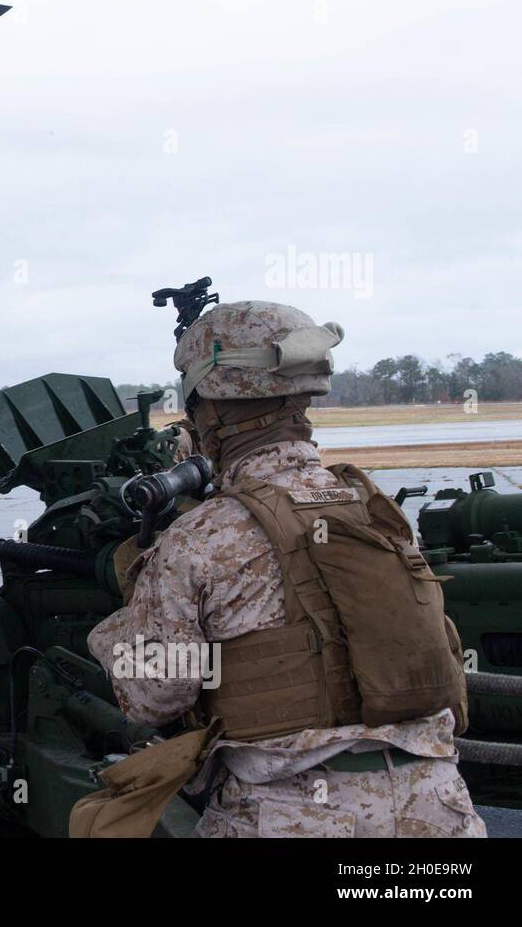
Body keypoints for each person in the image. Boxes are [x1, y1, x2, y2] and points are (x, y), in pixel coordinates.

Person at [88, 300, 484, 838]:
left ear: (214, 413)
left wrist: (112, 637)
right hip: (436, 807)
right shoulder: (370, 505)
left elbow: (156, 698)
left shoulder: (201, 537)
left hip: (294, 814)